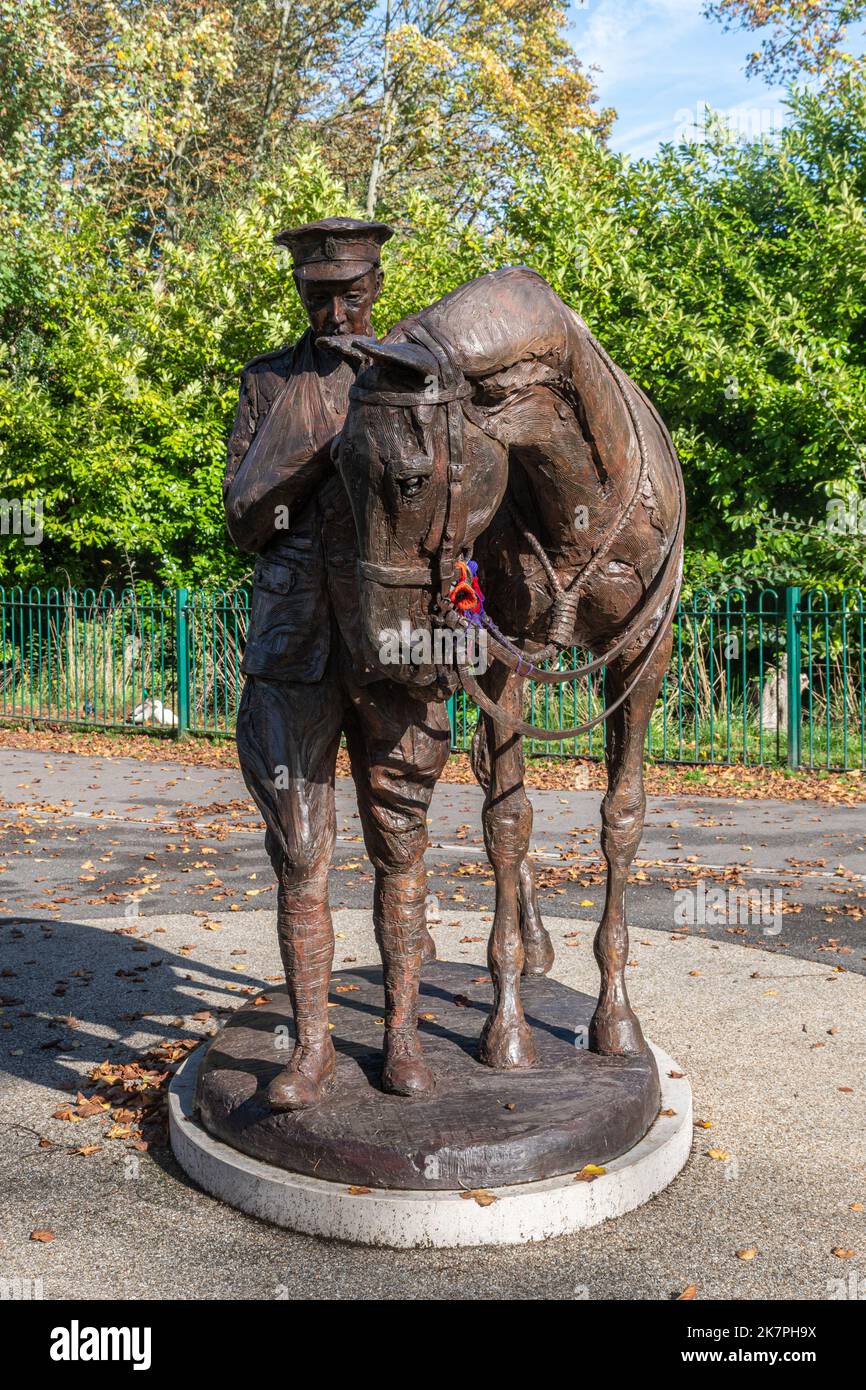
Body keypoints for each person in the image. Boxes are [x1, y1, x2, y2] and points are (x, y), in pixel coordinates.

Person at [223, 218, 450, 1110]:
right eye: (317, 294)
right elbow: (244, 520)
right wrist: (312, 457)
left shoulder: (418, 380)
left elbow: (453, 513)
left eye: (350, 292)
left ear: (378, 287)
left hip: (392, 651)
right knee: (300, 853)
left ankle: (400, 1039)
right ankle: (310, 1046)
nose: (334, 308)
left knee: (401, 845)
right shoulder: (269, 383)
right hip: (294, 652)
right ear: (299, 293)